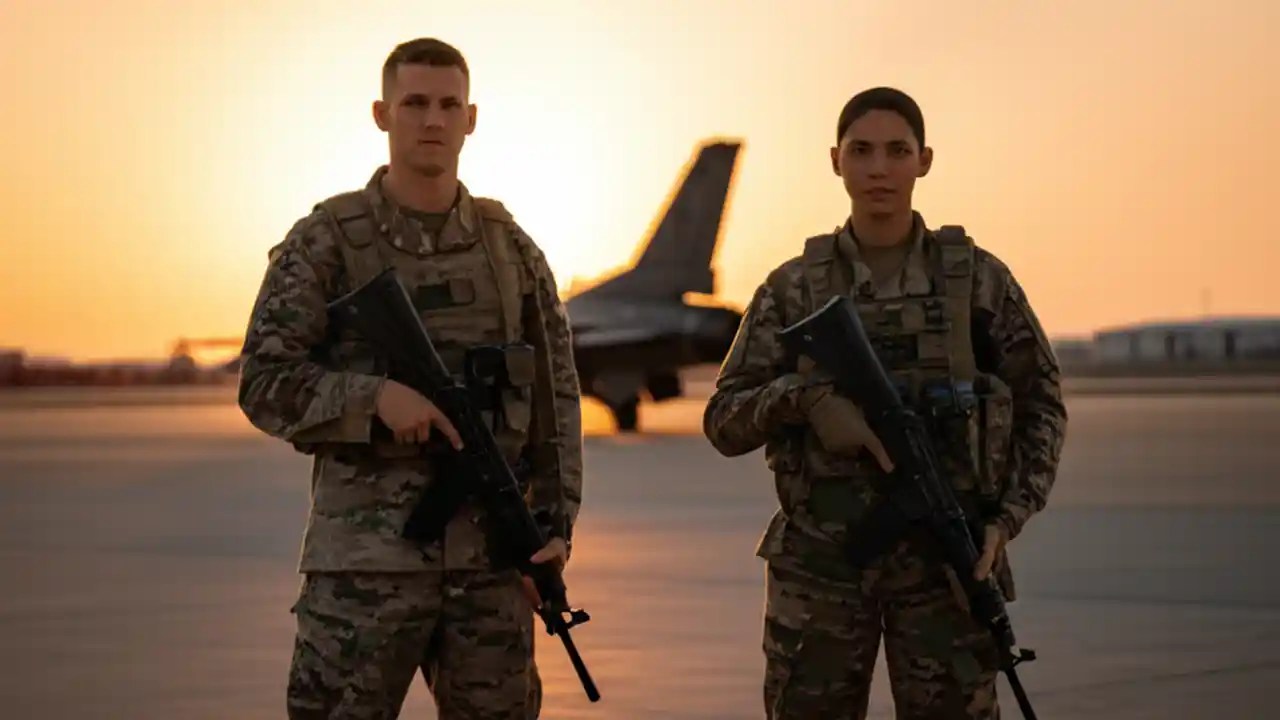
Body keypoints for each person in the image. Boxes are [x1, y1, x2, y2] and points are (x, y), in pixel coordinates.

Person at [237, 37, 584, 720]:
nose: (433, 119)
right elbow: (264, 381)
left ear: (471, 118)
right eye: (415, 102)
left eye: (448, 104)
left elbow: (556, 401)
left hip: (490, 570)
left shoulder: (510, 250)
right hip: (365, 574)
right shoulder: (328, 240)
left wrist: (552, 530)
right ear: (381, 113)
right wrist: (373, 399)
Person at [702, 86, 1067, 719]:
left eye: (897, 151)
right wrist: (806, 400)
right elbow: (725, 418)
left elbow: (1042, 405)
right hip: (821, 571)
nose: (878, 168)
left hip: (945, 574)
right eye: (861, 150)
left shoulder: (977, 280)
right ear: (835, 160)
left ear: (924, 160)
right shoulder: (794, 288)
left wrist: (1005, 520)